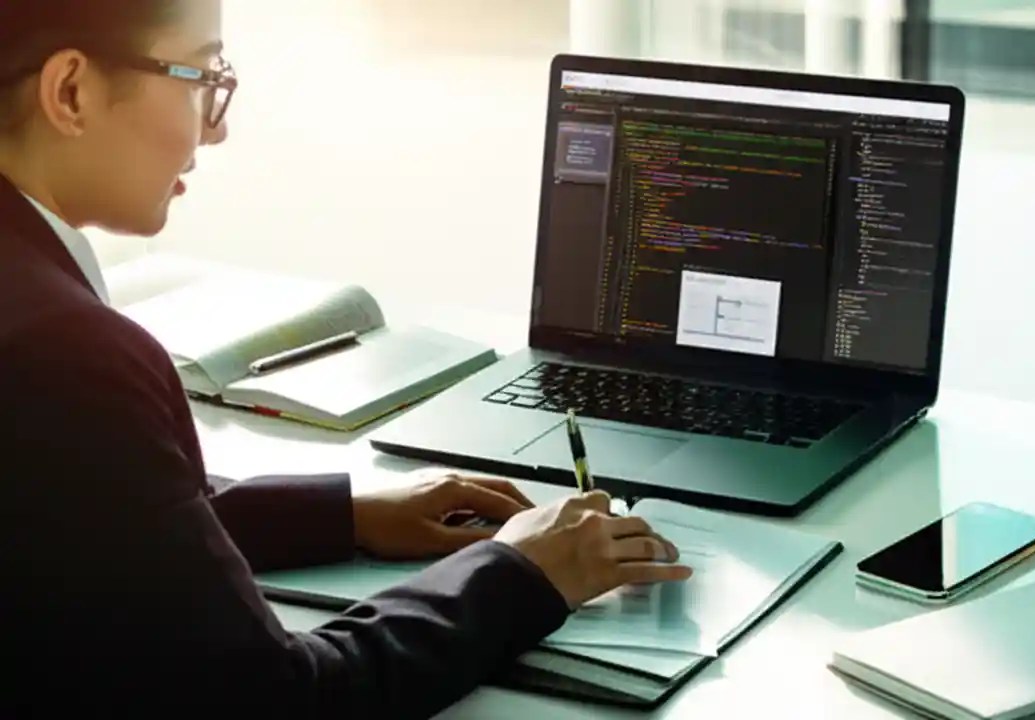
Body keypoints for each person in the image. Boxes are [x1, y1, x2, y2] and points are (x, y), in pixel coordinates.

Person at [0, 1, 692, 715]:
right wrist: (521, 572)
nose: (220, 125)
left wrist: (342, 516)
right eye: (201, 76)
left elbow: (85, 532)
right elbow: (281, 699)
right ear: (71, 93)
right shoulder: (67, 353)